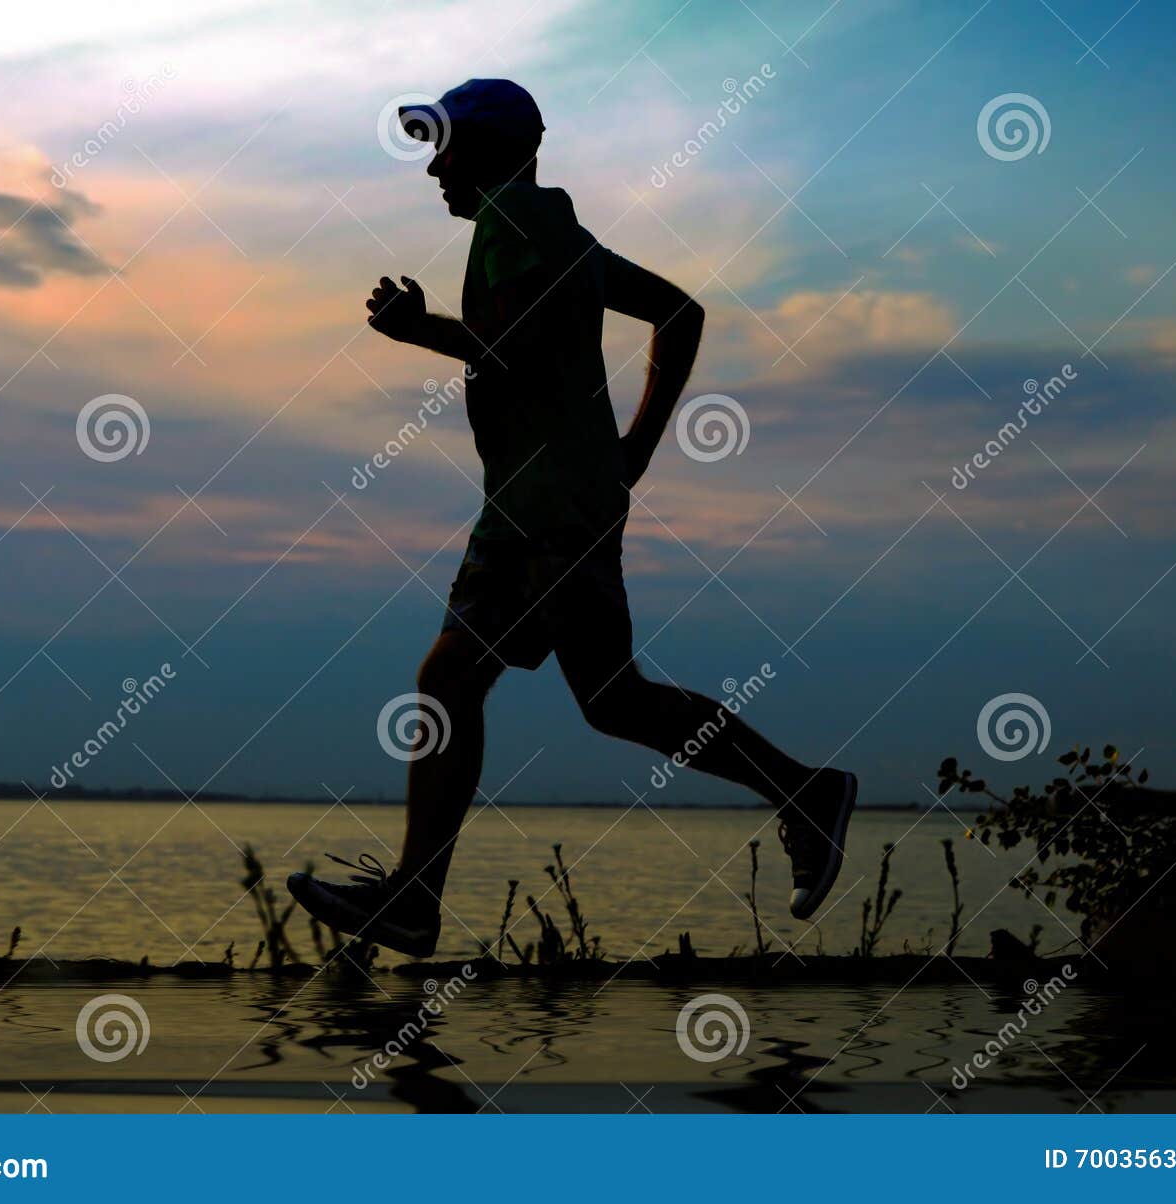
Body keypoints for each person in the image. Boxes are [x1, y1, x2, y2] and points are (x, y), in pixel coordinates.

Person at [287, 79, 856, 956]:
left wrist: (416, 328)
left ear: (492, 149)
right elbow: (679, 311)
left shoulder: (518, 218)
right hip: (535, 501)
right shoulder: (555, 229)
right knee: (592, 697)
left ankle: (415, 898)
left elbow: (509, 350)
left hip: (551, 507)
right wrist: (635, 446)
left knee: (462, 684)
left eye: (445, 146)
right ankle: (803, 792)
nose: (433, 167)